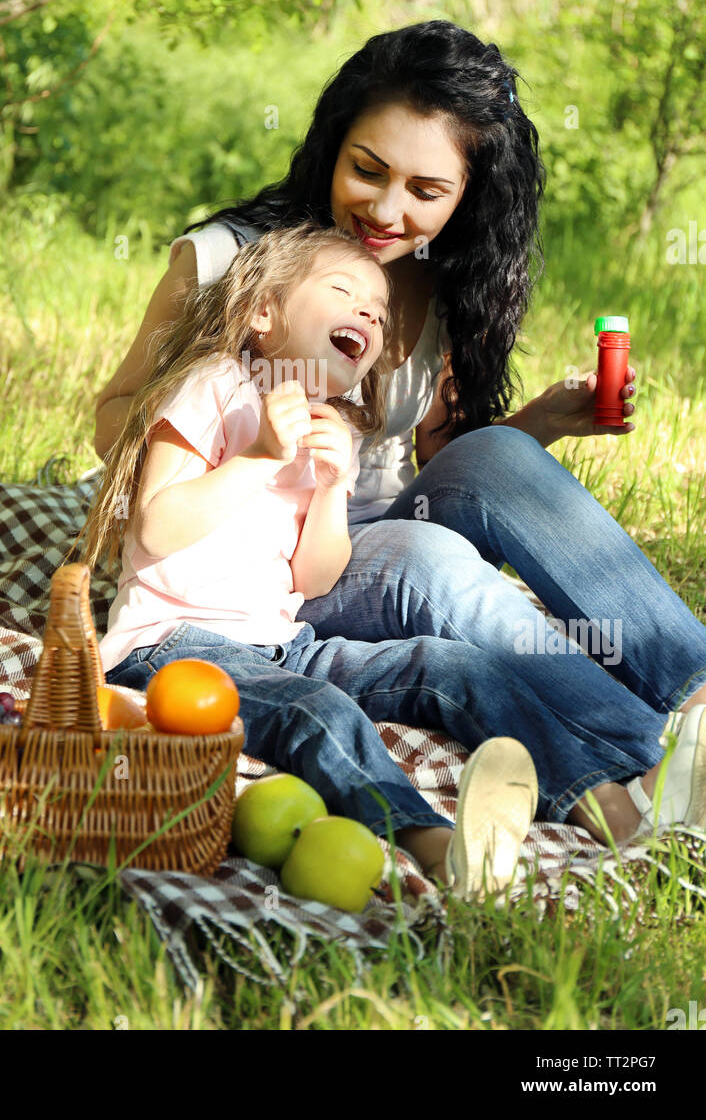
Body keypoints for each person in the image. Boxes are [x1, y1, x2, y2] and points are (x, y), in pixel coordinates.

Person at [93, 19, 706, 847]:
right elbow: (115, 425)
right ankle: (643, 764)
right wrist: (244, 418)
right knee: (431, 561)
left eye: (426, 191)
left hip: (349, 528)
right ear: (331, 147)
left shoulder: (436, 286)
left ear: (467, 197)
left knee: (494, 455)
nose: (385, 210)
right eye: (366, 170)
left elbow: (435, 469)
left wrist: (541, 427)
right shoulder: (231, 263)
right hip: (256, 560)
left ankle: (696, 700)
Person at [72, 223, 705, 905]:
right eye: (343, 292)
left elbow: (313, 580)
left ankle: (614, 799)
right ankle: (430, 842)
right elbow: (156, 527)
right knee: (316, 711)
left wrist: (328, 490)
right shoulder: (216, 385)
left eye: (376, 310)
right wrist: (257, 458)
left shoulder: (331, 427)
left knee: (449, 665)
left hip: (285, 641)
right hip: (174, 647)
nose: (369, 314)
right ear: (262, 313)